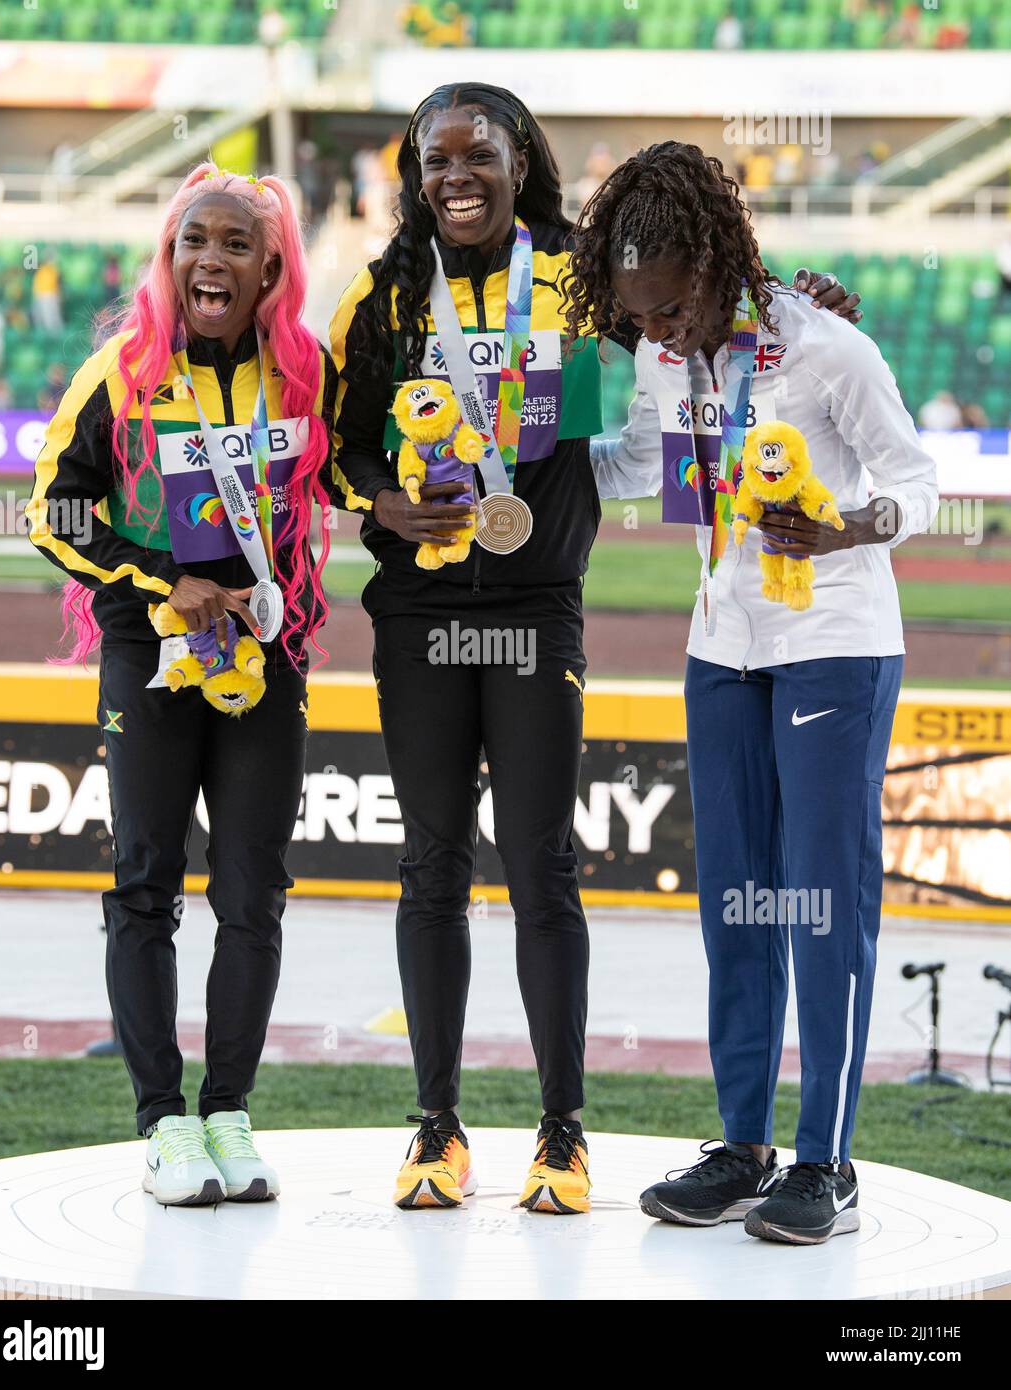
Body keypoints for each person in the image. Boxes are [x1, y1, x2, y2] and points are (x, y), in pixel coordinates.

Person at [327, 85, 858, 1216]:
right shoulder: (380, 298)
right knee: (428, 866)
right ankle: (435, 1127)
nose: (455, 176)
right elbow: (340, 444)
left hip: (538, 605)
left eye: (479, 153)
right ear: (415, 172)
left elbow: (699, 310)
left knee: (540, 868)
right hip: (419, 613)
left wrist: (801, 306)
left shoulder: (579, 270)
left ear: (522, 158)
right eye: (434, 158)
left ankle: (561, 1133)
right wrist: (383, 502)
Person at [566, 141, 936, 1244]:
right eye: (643, 317)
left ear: (718, 262)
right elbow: (631, 465)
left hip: (833, 641)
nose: (665, 334)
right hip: (720, 644)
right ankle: (741, 1147)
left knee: (821, 907)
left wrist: (844, 525)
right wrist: (520, 452)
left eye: (674, 308)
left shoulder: (824, 347)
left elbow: (914, 481)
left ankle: (825, 1161)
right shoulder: (651, 354)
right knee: (734, 902)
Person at [27, 163, 334, 1208]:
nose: (212, 256)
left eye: (236, 243)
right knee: (146, 881)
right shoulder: (120, 370)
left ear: (269, 269)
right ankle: (162, 1122)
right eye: (194, 239)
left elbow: (353, 475)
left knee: (252, 891)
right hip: (148, 655)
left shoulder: (306, 374)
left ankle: (230, 1111)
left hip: (265, 660)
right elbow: (52, 514)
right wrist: (166, 579)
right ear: (171, 257)